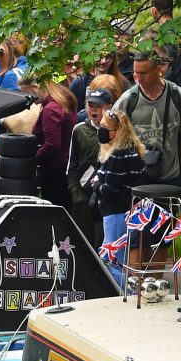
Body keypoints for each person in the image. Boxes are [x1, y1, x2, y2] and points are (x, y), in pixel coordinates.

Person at [112, 51, 181, 185]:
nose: (138, 78)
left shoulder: (177, 95)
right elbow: (112, 136)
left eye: (143, 73)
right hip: (137, 178)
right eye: (135, 73)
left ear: (158, 70)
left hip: (171, 178)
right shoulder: (128, 100)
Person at [94, 106, 148, 286]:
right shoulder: (133, 149)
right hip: (124, 210)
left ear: (117, 131)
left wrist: (95, 184)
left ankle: (129, 293)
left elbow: (110, 189)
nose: (100, 130)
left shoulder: (118, 154)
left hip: (117, 212)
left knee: (111, 259)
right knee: (115, 257)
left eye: (104, 127)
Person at [67, 85, 114, 244]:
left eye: (98, 106)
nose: (94, 110)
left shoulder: (117, 130)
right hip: (84, 195)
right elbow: (71, 166)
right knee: (82, 243)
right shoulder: (79, 130)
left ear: (109, 107)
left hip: (107, 196)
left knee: (105, 241)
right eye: (90, 105)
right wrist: (76, 195)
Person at [31, 80, 78, 209]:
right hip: (66, 166)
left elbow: (52, 144)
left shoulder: (51, 109)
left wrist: (33, 159)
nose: (28, 99)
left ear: (36, 87)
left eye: (28, 93)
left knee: (54, 209)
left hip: (55, 170)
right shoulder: (63, 100)